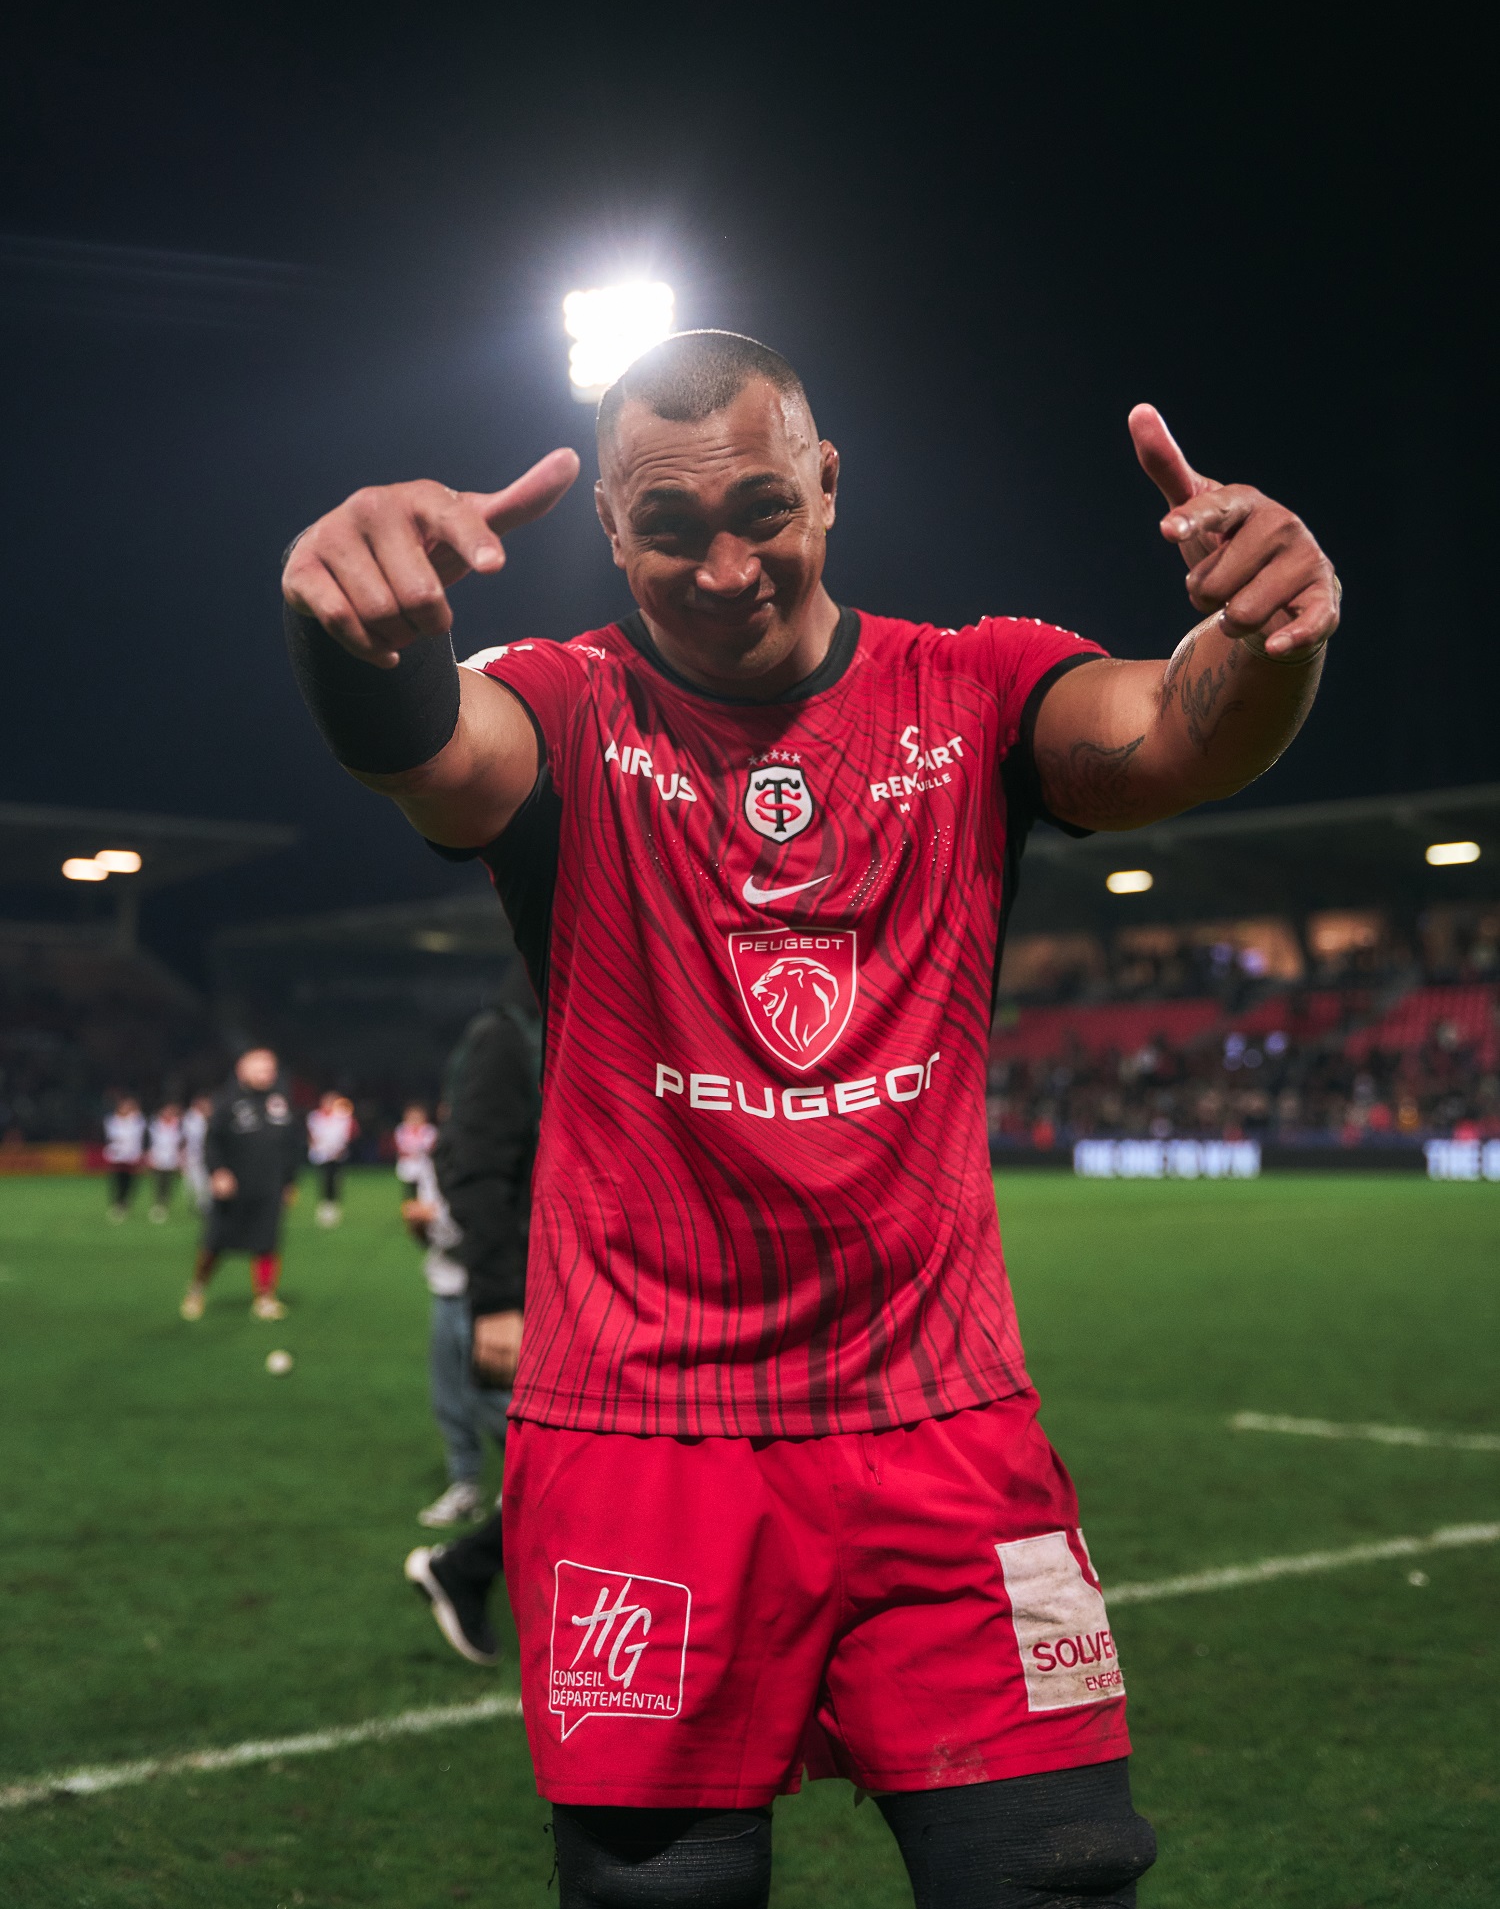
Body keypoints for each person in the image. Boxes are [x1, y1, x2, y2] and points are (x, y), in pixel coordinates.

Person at [283, 331, 1339, 1909]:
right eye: (668, 527)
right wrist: (350, 628)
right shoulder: (569, 710)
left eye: (764, 507)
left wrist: (1270, 631)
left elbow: (1181, 735)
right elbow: (424, 744)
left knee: (1057, 1875)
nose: (722, 565)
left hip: (944, 1429)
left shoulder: (975, 689)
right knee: (663, 1897)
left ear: (831, 486)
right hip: (644, 1439)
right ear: (609, 535)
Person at [402, 961, 541, 1639]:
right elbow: (476, 1169)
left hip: (583, 1276)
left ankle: (468, 1566)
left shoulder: (569, 1024)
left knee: (586, 1465)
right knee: (565, 1459)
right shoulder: (508, 1035)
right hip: (523, 1286)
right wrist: (495, 1298)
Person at [180, 1046, 302, 1322]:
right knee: (215, 1243)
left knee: (267, 1241)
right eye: (259, 1068)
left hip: (270, 1184)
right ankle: (197, 1290)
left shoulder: (281, 1102)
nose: (265, 1074)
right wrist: (218, 1172)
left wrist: (290, 1180)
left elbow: (294, 1144)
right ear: (242, 1070)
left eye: (269, 1068)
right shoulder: (226, 1101)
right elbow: (212, 1142)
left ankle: (265, 1297)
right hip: (233, 1186)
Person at [305, 1089, 356, 1226]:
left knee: (335, 1178)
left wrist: (340, 1148)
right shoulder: (314, 1116)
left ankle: (334, 1204)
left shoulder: (342, 1116)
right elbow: (311, 1134)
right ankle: (325, 1204)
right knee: (324, 1179)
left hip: (337, 1153)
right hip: (320, 1153)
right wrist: (316, 1146)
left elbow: (347, 1134)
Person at [102, 1093, 147, 1221]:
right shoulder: (112, 1121)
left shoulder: (136, 1120)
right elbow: (112, 1136)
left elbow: (140, 1128)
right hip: (117, 1156)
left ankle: (125, 1203)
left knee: (130, 1182)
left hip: (132, 1156)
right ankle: (117, 1203)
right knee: (117, 1181)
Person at [145, 1101, 183, 1222]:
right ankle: (158, 1204)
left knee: (168, 1182)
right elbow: (149, 1141)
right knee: (158, 1181)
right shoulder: (155, 1124)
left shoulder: (179, 1124)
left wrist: (181, 1157)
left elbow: (182, 1142)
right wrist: (149, 1155)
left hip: (172, 1157)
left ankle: (164, 1203)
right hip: (158, 1156)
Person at [179, 1093, 213, 1212]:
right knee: (195, 1180)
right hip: (193, 1153)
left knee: (206, 1179)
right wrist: (182, 1154)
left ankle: (205, 1203)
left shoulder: (210, 1116)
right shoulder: (190, 1118)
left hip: (208, 1153)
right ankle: (200, 1203)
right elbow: (185, 1138)